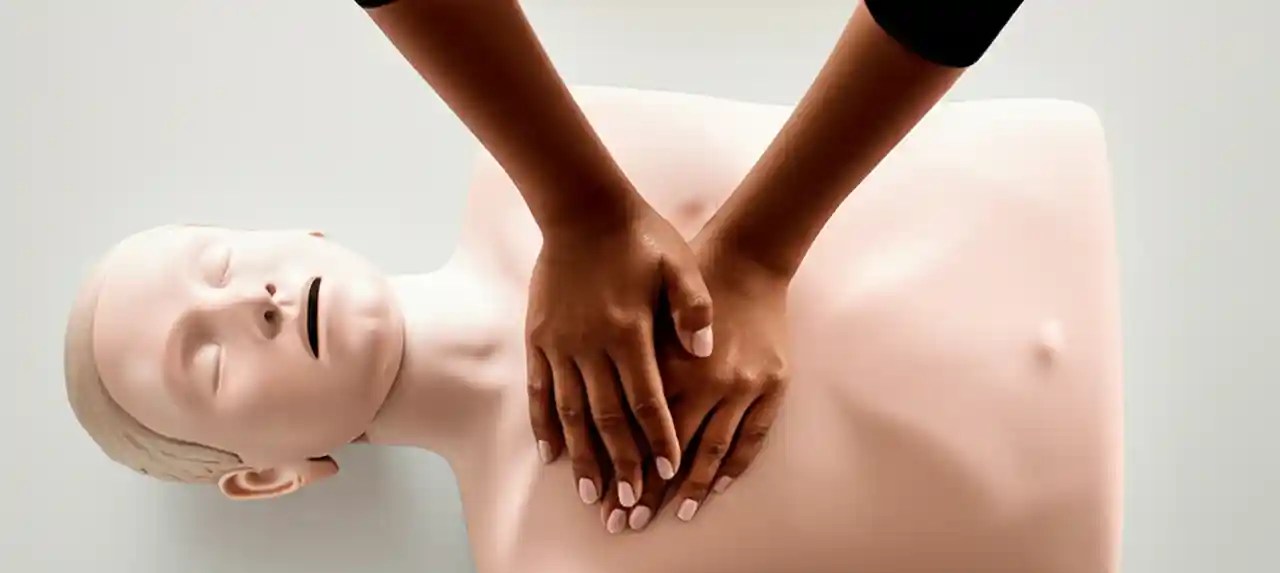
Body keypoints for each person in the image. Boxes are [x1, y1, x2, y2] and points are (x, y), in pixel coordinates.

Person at [64, 86, 1120, 573]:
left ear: (301, 230)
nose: (240, 301)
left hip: (1040, 201)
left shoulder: (533, 170)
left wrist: (729, 250)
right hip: (1061, 540)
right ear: (268, 475)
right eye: (203, 363)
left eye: (221, 261)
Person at [355, 0, 1026, 520]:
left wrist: (753, 248)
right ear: (265, 475)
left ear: (314, 236)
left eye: (239, 260)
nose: (251, 304)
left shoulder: (498, 171)